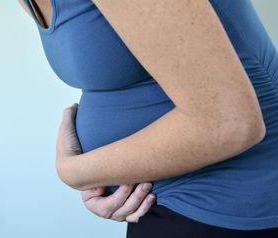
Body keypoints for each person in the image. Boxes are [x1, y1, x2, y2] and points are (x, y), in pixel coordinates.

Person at [18, 0, 278, 237]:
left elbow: (229, 124)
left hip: (228, 203)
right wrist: (104, 173)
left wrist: (76, 172)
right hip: (167, 201)